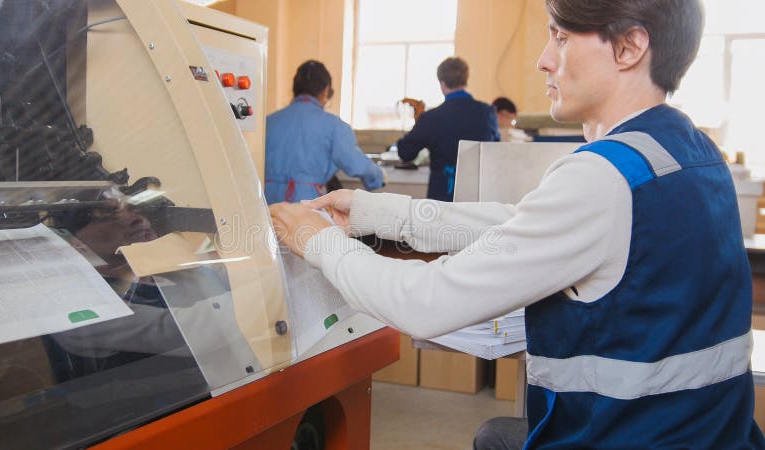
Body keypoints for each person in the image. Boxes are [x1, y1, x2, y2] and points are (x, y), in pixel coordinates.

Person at [270, 0, 764, 448]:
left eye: (562, 37)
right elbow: (524, 227)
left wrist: (320, 242)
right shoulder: (693, 151)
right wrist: (377, 213)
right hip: (711, 433)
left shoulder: (602, 176)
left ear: (630, 46)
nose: (544, 59)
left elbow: (423, 302)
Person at [264, 60, 384, 204]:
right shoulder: (334, 125)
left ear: (295, 88)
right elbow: (354, 163)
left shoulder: (267, 122)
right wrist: (379, 176)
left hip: (267, 204)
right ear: (326, 90)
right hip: (307, 205)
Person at [395, 57, 500, 202]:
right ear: (465, 81)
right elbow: (495, 149)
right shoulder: (487, 113)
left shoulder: (431, 118)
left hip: (443, 201)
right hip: (478, 200)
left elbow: (405, 152)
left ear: (442, 83)